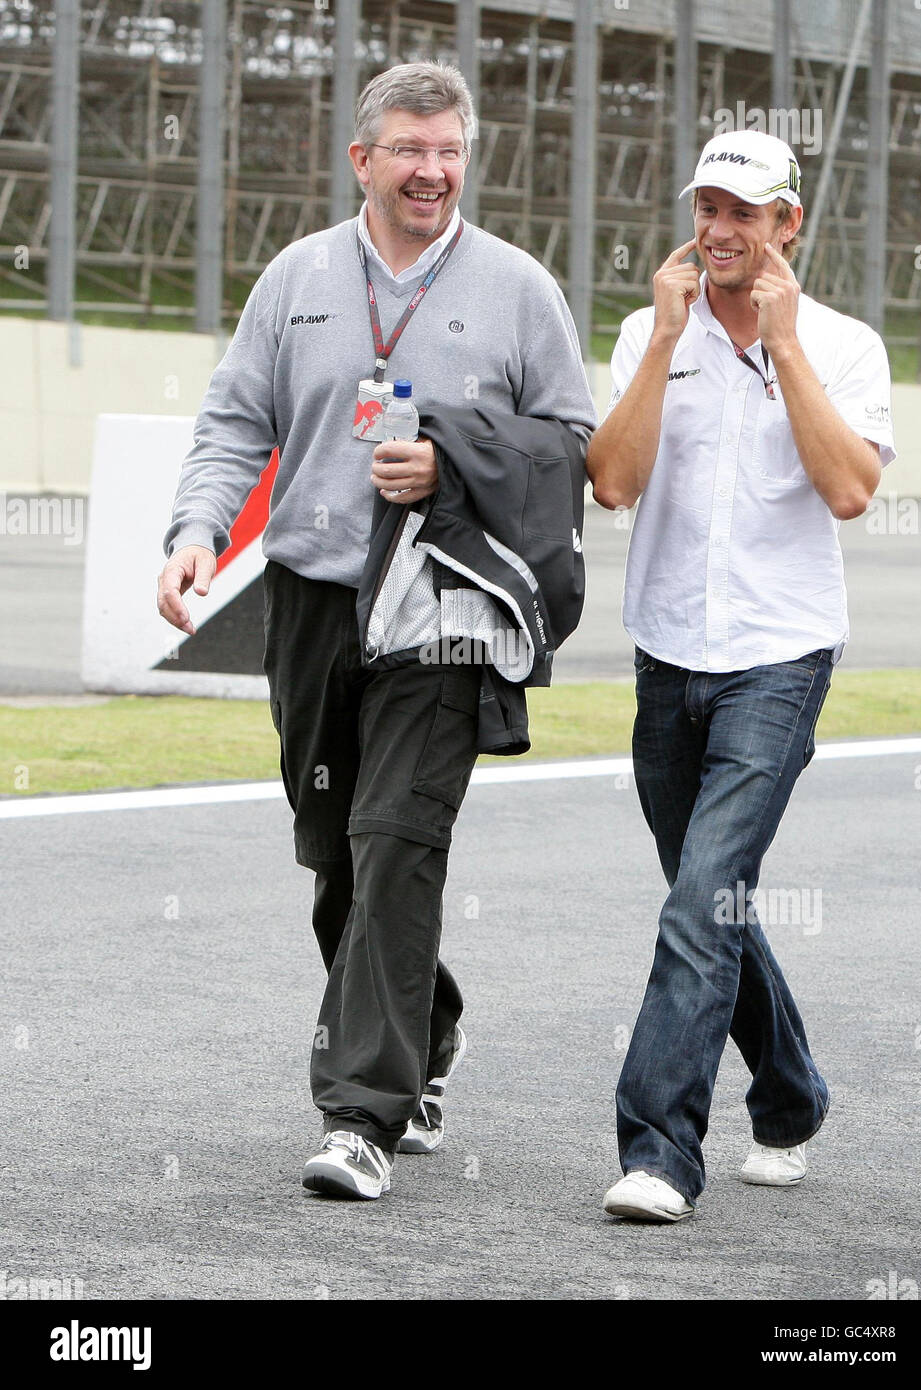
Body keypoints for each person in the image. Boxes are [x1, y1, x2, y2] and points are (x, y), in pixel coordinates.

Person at [157, 61, 596, 1201]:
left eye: (449, 150)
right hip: (311, 601)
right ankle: (426, 1029)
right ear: (363, 159)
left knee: (398, 837)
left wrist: (452, 462)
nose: (433, 171)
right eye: (410, 149)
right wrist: (198, 530)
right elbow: (234, 418)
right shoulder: (297, 275)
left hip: (441, 607)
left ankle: (359, 1112)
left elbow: (572, 449)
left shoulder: (516, 287)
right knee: (337, 857)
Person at [586, 129, 895, 1223]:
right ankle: (792, 1090)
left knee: (694, 903)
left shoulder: (847, 345)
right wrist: (669, 338)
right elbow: (612, 483)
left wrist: (783, 347)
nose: (717, 229)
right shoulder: (643, 333)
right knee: (706, 900)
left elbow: (850, 489)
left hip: (779, 656)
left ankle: (659, 1150)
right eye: (706, 206)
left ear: (786, 225)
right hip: (665, 653)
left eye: (742, 212)